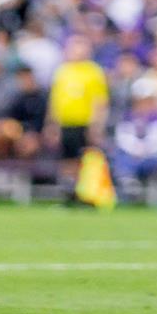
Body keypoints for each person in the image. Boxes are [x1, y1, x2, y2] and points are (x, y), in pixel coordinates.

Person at [47, 36, 109, 202]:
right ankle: (69, 193)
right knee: (66, 160)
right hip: (65, 123)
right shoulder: (62, 71)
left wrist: (96, 126)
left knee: (83, 159)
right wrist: (52, 124)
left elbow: (100, 102)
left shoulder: (93, 72)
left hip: (84, 123)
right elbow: (54, 101)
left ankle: (86, 195)